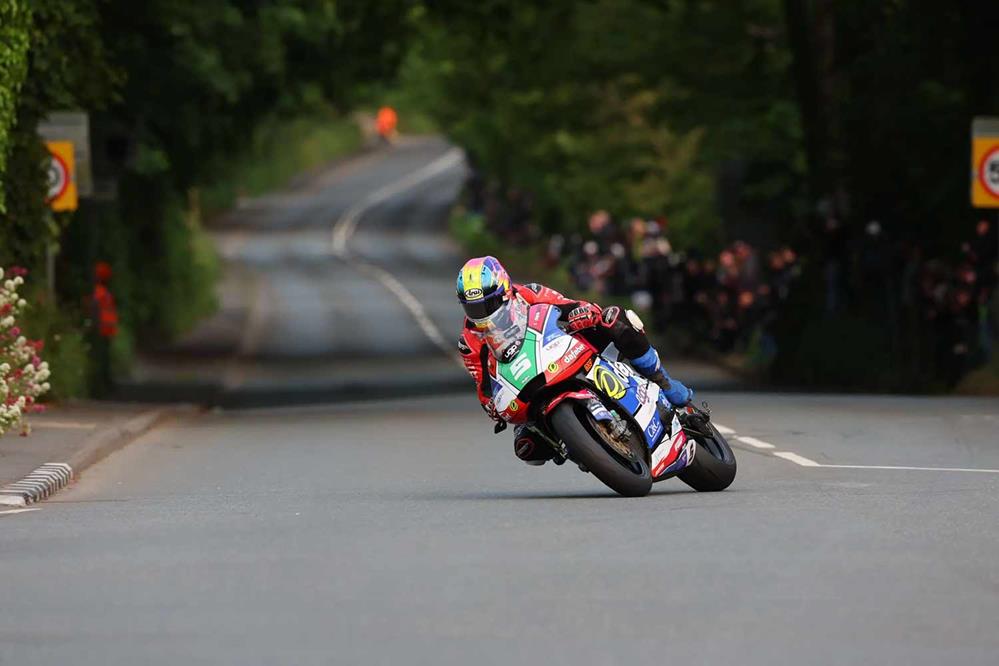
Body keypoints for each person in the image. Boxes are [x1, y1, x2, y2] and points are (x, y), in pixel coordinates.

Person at [455, 255, 694, 465]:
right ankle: (582, 447)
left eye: (489, 304)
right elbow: (484, 384)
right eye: (474, 309)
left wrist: (584, 313)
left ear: (505, 291)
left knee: (615, 319)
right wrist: (491, 405)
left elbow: (566, 305)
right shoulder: (469, 341)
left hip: (562, 346)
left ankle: (662, 381)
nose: (483, 314)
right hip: (527, 380)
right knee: (527, 448)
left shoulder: (529, 293)